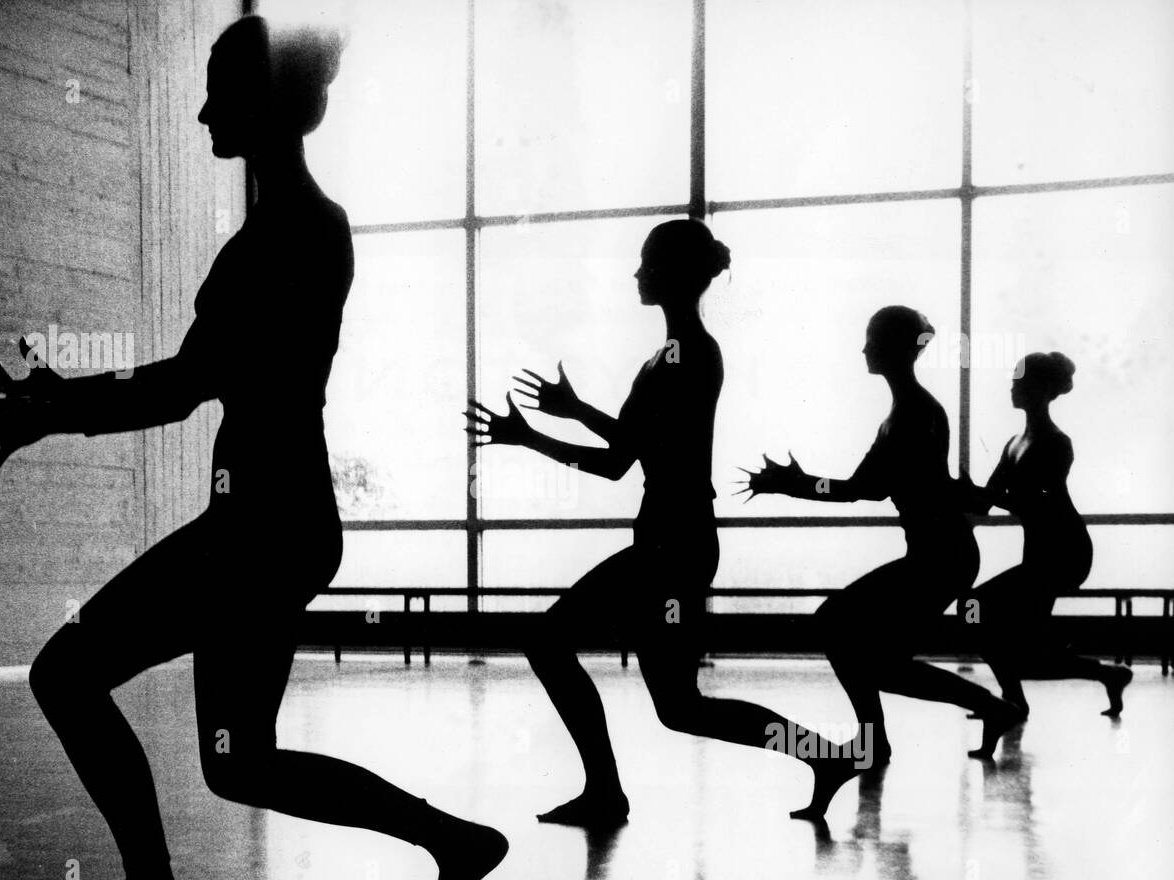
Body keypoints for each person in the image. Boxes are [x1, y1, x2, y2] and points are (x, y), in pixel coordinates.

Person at [0, 14, 506, 880]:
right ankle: (453, 839)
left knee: (66, 674)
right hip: (279, 521)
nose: (203, 111)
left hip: (258, 529)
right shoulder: (304, 228)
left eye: (218, 90)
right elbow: (196, 380)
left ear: (264, 101)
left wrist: (53, 407)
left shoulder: (281, 237)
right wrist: (63, 403)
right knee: (239, 763)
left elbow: (180, 386)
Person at [468, 220, 868, 826]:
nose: (636, 274)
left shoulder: (686, 356)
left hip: (670, 544)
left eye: (646, 264)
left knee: (549, 641)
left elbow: (619, 460)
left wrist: (534, 434)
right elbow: (626, 452)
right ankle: (825, 757)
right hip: (675, 538)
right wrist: (565, 415)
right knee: (681, 708)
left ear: (674, 275)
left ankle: (605, 791)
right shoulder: (672, 356)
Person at [741, 307, 1026, 764]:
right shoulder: (909, 410)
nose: (864, 348)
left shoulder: (911, 413)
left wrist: (793, 485)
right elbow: (865, 490)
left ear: (893, 347)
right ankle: (970, 713)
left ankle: (967, 714)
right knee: (864, 648)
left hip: (940, 555)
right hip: (942, 552)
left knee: (843, 632)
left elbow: (863, 490)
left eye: (871, 339)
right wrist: (797, 483)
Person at [961, 352, 1132, 717]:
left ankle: (1016, 699)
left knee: (978, 611)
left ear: (1042, 388)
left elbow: (1034, 503)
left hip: (1064, 553)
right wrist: (962, 493)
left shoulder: (1056, 442)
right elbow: (988, 500)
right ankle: (1102, 675)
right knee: (980, 617)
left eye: (1020, 381)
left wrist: (979, 494)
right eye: (1013, 380)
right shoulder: (1014, 443)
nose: (1013, 386)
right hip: (1040, 555)